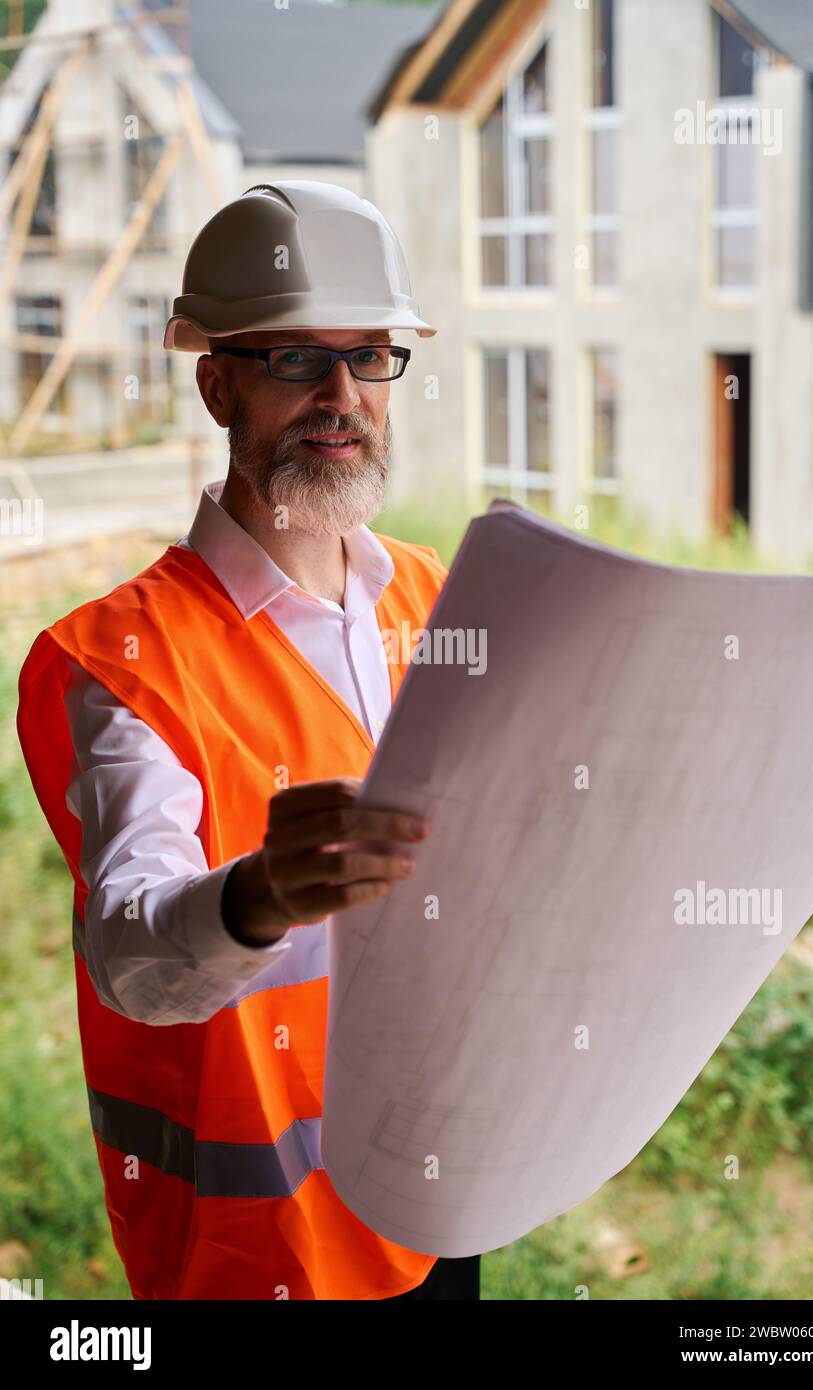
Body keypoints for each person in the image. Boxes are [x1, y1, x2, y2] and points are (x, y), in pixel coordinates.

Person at [17, 181, 481, 1301]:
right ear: (215, 382)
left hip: (436, 1198)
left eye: (370, 355)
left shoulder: (436, 595)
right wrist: (260, 893)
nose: (340, 394)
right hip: (253, 1250)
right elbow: (131, 950)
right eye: (293, 359)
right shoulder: (121, 659)